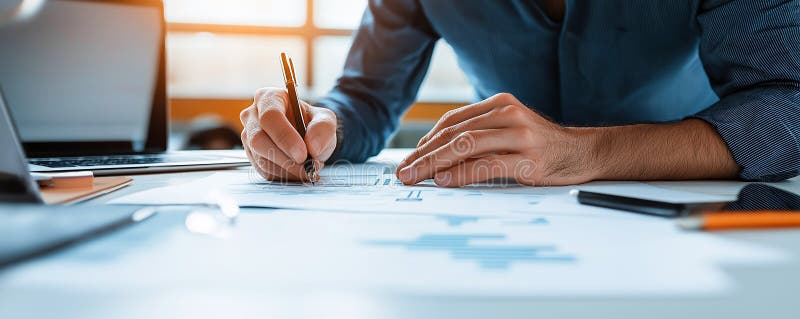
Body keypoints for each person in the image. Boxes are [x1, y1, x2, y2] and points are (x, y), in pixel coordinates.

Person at [240, 0, 800, 187]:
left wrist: (587, 153)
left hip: (684, 212)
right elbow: (366, 99)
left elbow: (790, 104)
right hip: (500, 211)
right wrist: (320, 125)